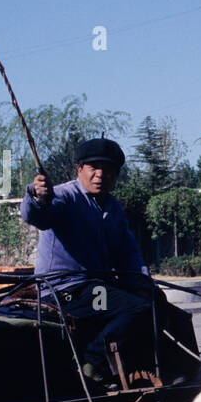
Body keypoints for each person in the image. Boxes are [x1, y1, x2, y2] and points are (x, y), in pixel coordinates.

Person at [21, 137, 153, 389]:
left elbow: (128, 253)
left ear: (117, 175)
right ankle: (92, 365)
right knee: (135, 308)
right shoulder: (63, 196)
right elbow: (38, 216)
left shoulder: (113, 207)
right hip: (64, 290)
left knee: (157, 304)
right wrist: (37, 196)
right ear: (79, 169)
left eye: (108, 169)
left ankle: (178, 373)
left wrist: (142, 285)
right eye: (93, 167)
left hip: (96, 290)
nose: (100, 174)